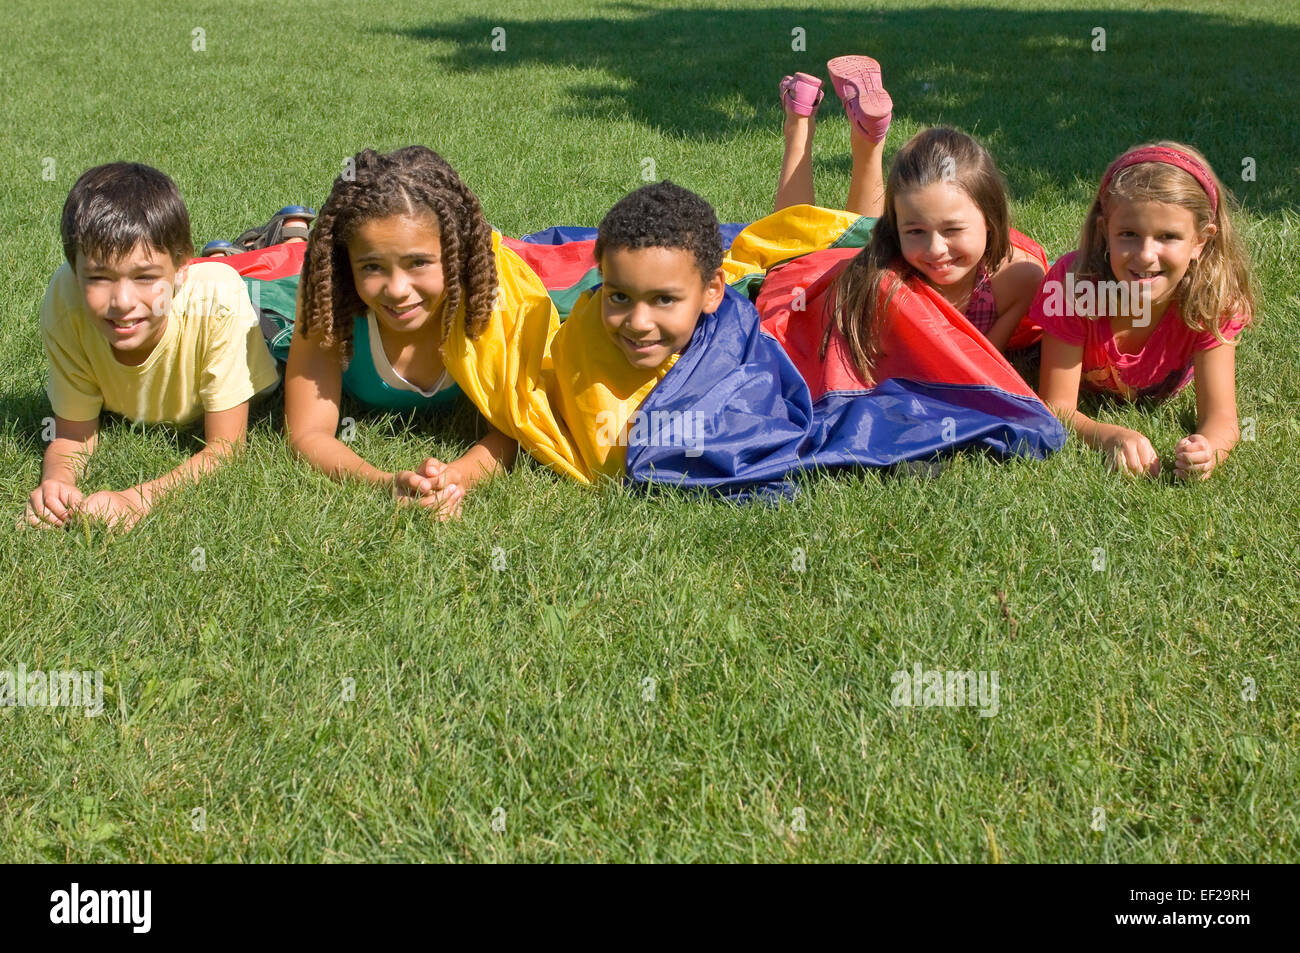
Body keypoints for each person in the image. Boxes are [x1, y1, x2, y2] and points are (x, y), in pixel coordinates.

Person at [25, 162, 278, 530]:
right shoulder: (65, 298)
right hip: (198, 286)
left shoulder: (220, 304)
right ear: (74, 270)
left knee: (279, 290)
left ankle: (277, 243)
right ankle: (229, 253)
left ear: (180, 268)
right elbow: (73, 436)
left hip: (257, 322)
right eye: (98, 278)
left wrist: (137, 499)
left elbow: (226, 449)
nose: (122, 301)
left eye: (145, 277)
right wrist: (57, 484)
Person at [1031, 142, 1253, 479]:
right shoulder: (1072, 286)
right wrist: (1108, 435)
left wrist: (1209, 449)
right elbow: (1057, 407)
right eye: (1129, 234)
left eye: (1168, 236)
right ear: (1106, 232)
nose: (1147, 255)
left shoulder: (1212, 298)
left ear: (1200, 242)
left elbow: (1222, 417)